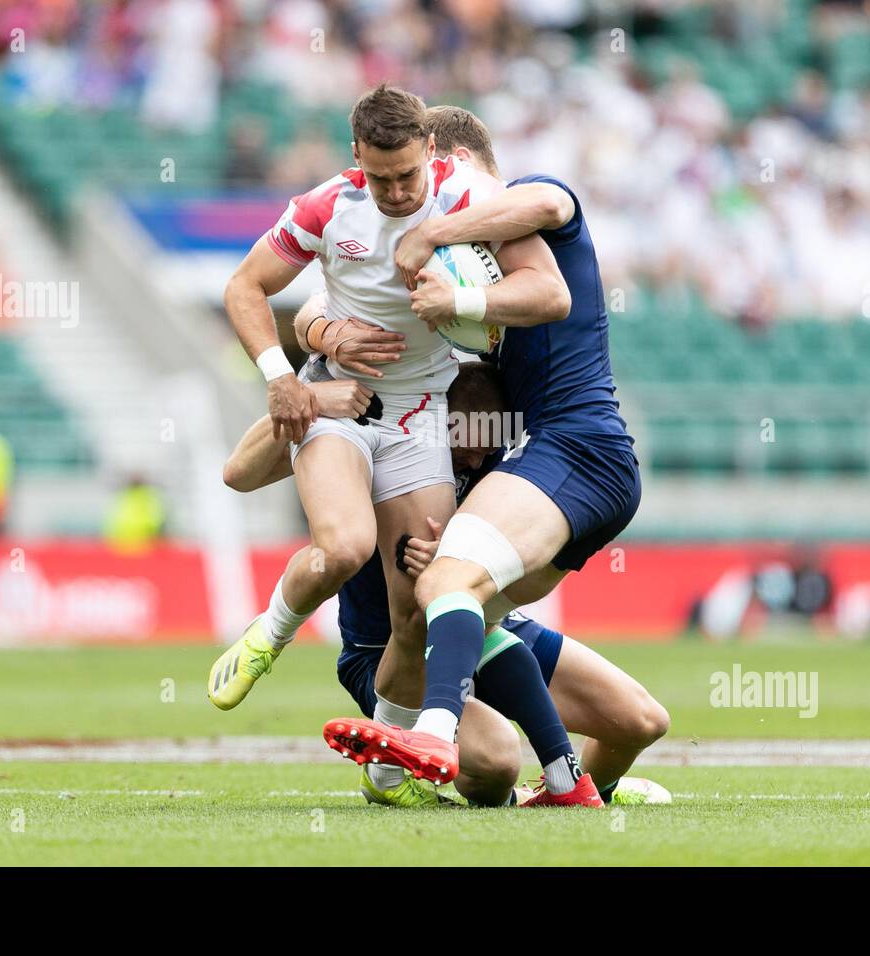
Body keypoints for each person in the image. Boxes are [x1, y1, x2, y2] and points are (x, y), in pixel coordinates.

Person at [206, 85, 570, 743]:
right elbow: (244, 286)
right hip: (340, 399)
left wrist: (463, 299)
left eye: (406, 176)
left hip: (420, 415)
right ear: (356, 157)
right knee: (344, 547)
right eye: (380, 178)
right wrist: (281, 375)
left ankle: (392, 758)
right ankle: (269, 634)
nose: (396, 192)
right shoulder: (327, 206)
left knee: (415, 611)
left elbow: (550, 293)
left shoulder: (465, 202)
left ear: (430, 150)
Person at [324, 105, 652, 808]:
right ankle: (569, 787)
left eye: (437, 176)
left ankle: (431, 738)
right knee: (636, 720)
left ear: (454, 157)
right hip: (583, 466)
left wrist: (435, 230)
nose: (430, 194)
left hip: (573, 446)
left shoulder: (524, 199)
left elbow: (545, 201)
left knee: (445, 582)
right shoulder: (466, 325)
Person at [222, 295, 670, 807]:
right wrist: (311, 396)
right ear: (432, 416)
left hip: (482, 629)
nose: (479, 457)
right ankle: (399, 773)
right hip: (387, 650)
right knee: (496, 761)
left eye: (490, 443)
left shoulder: (491, 448)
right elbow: (240, 473)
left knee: (641, 721)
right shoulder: (379, 432)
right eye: (465, 441)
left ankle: (580, 789)